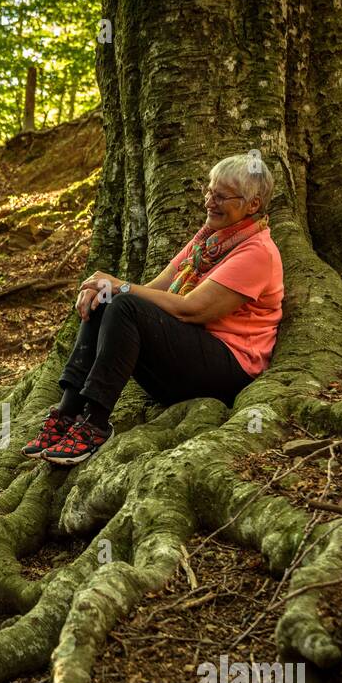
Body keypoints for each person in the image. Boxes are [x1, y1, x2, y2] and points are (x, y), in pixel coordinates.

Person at [23, 153, 285, 465]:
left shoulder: (257, 253)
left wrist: (119, 286)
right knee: (108, 300)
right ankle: (67, 411)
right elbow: (157, 288)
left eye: (221, 196)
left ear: (252, 205)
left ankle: (93, 424)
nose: (209, 202)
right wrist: (103, 289)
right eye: (209, 192)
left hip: (227, 371)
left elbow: (191, 310)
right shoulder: (208, 242)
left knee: (125, 302)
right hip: (187, 358)